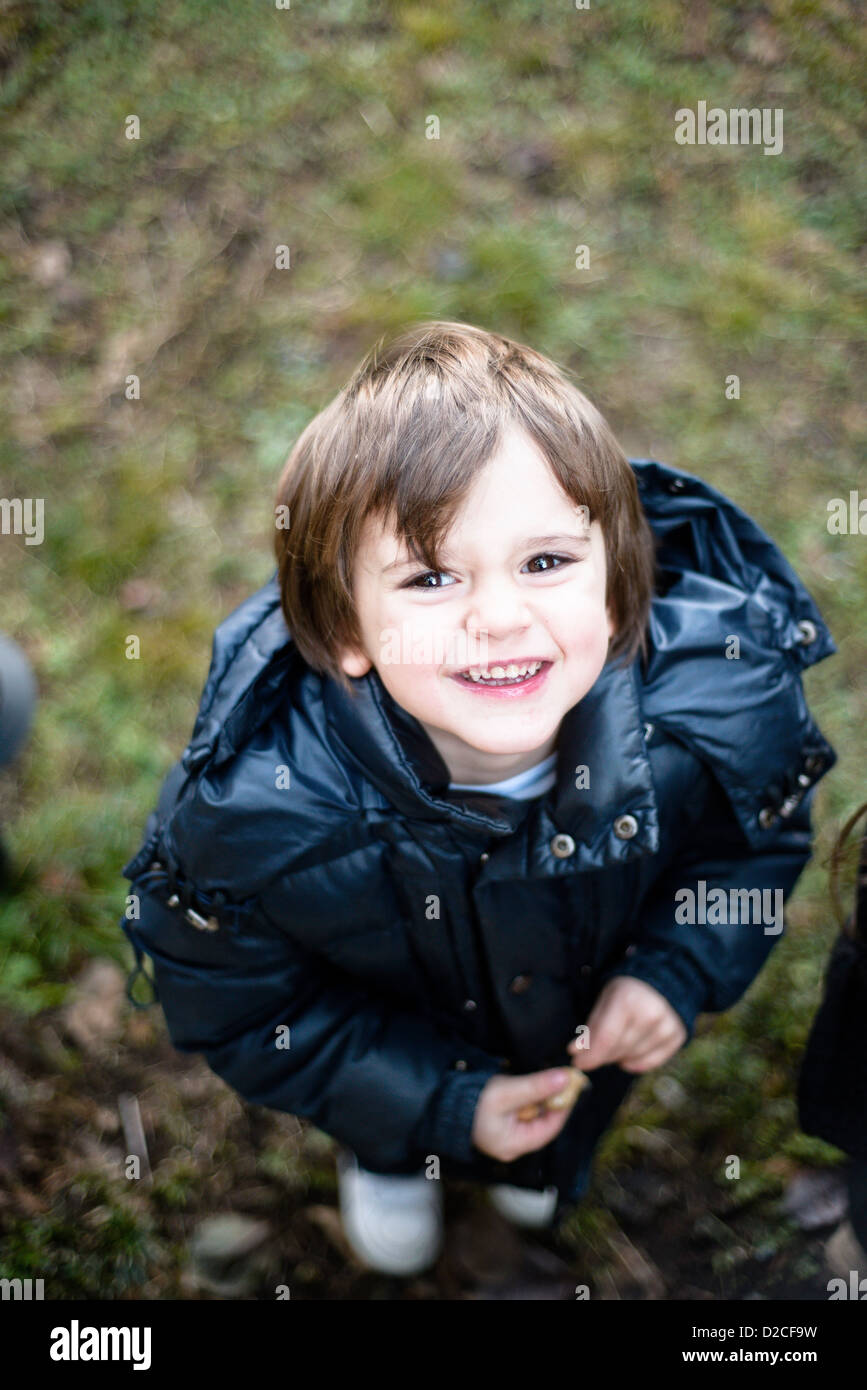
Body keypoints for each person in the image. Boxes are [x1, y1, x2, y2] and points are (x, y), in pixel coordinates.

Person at [119, 321, 837, 1277]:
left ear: (618, 593)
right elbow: (244, 1008)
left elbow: (748, 852)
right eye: (428, 576)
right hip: (387, 1055)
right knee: (388, 1114)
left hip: (578, 1053)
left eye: (545, 563)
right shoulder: (256, 817)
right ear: (345, 633)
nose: (498, 617)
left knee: (545, 1154)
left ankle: (542, 1149)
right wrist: (440, 1107)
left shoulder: (700, 721)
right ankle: (392, 1154)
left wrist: (671, 969)